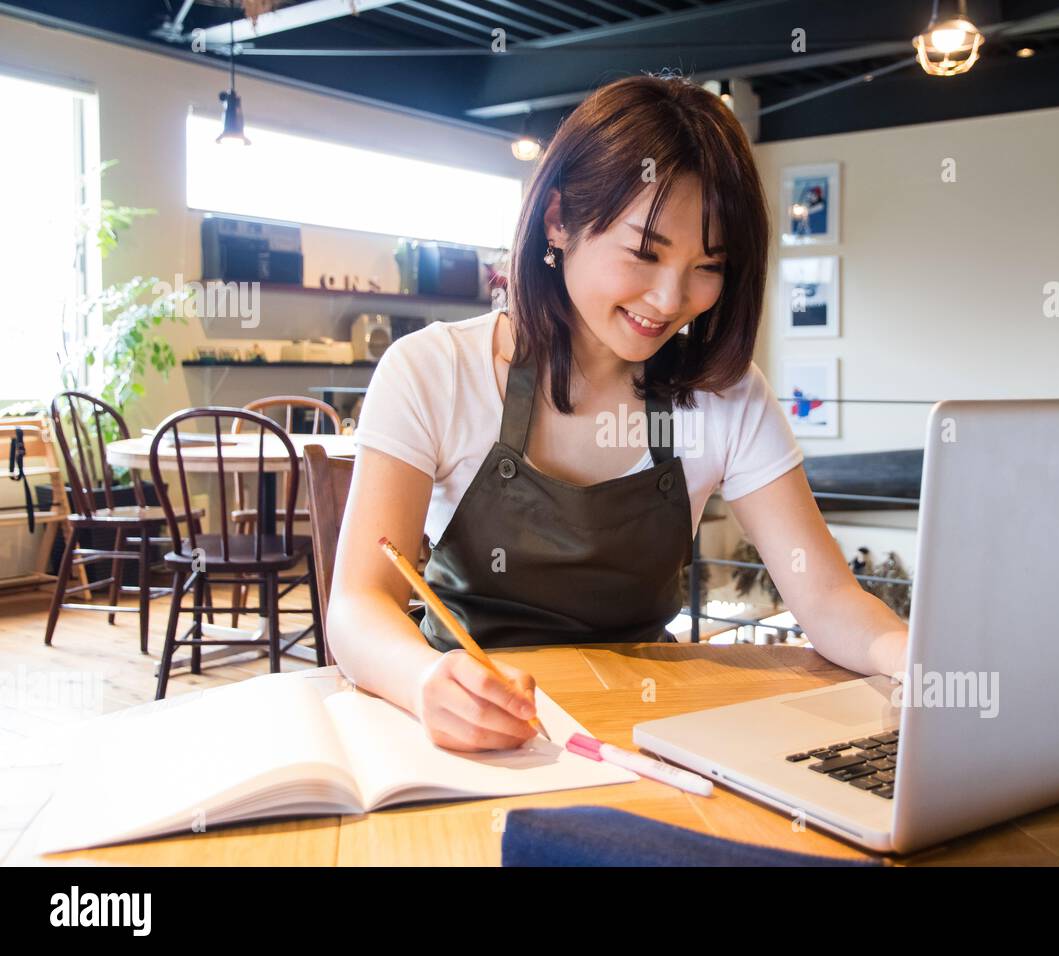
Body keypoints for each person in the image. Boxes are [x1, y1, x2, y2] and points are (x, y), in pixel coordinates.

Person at [327, 73, 909, 753]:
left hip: (644, 732)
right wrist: (426, 681)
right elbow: (358, 605)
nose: (668, 299)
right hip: (472, 731)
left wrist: (912, 663)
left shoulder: (727, 396)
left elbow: (831, 600)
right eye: (644, 252)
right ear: (558, 220)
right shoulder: (432, 372)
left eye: (707, 266)